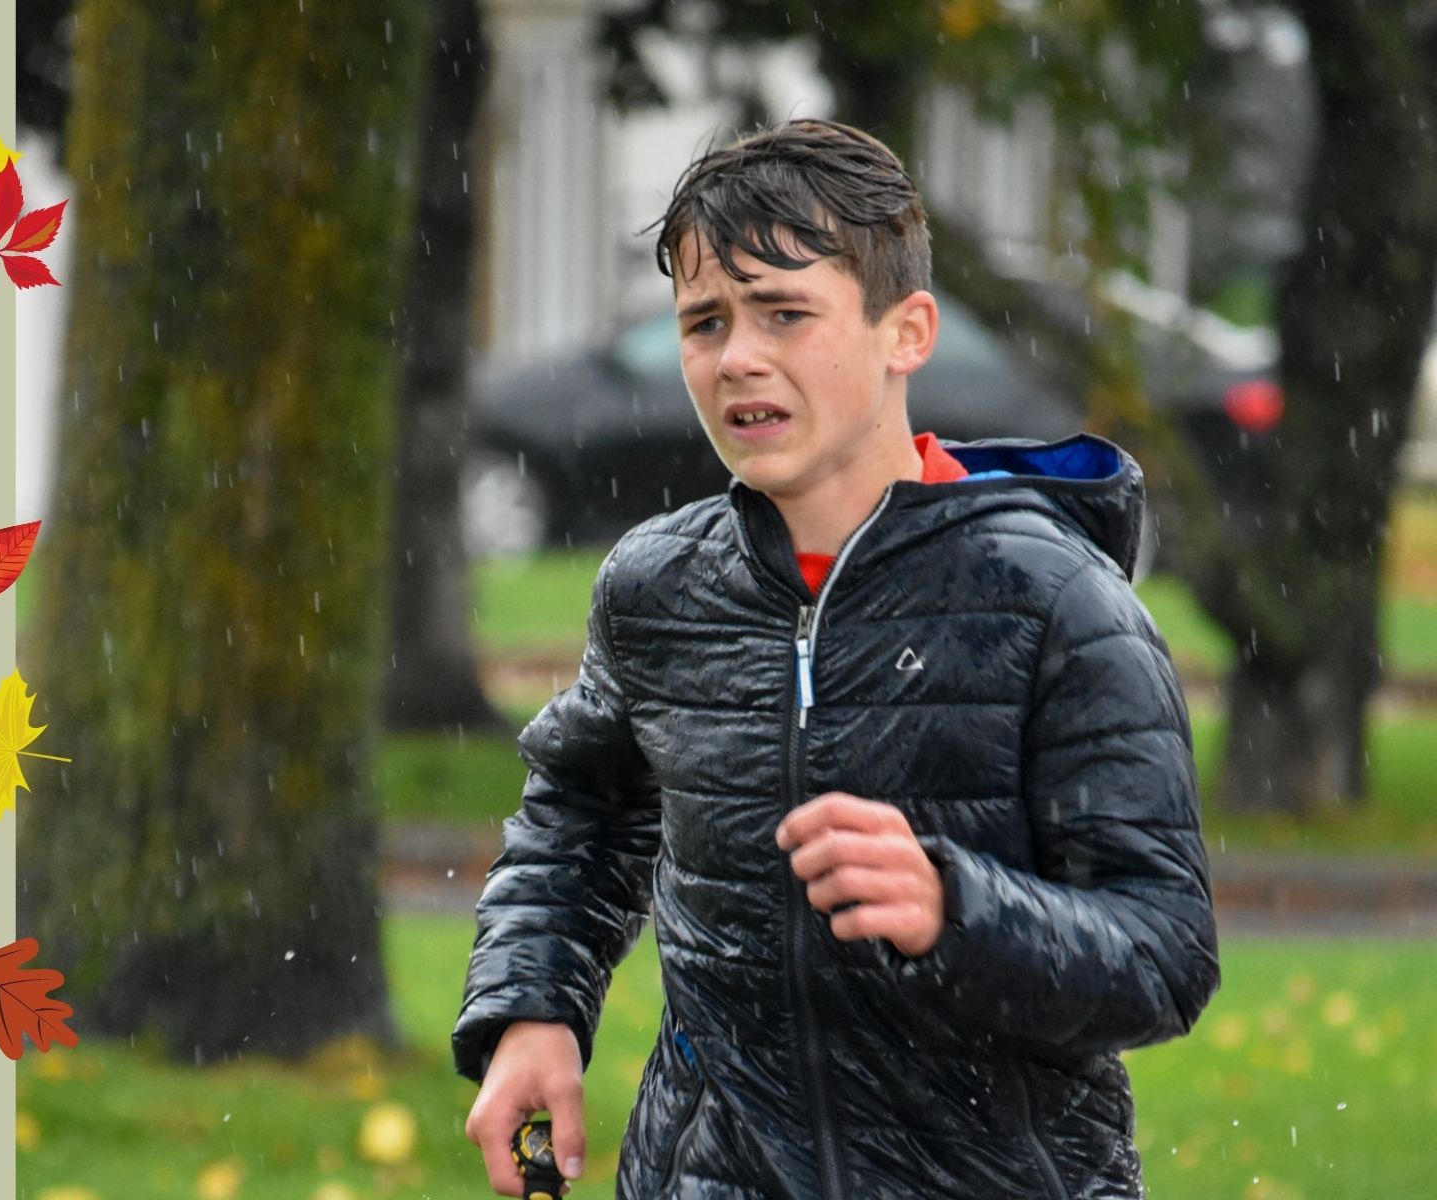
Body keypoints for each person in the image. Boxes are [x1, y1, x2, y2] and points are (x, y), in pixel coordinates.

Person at [453, 118, 1219, 1199]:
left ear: (908, 332)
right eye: (705, 322)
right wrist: (533, 1007)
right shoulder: (656, 588)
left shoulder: (1056, 603)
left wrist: (958, 909)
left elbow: (1164, 954)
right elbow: (579, 815)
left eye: (784, 313)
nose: (739, 358)